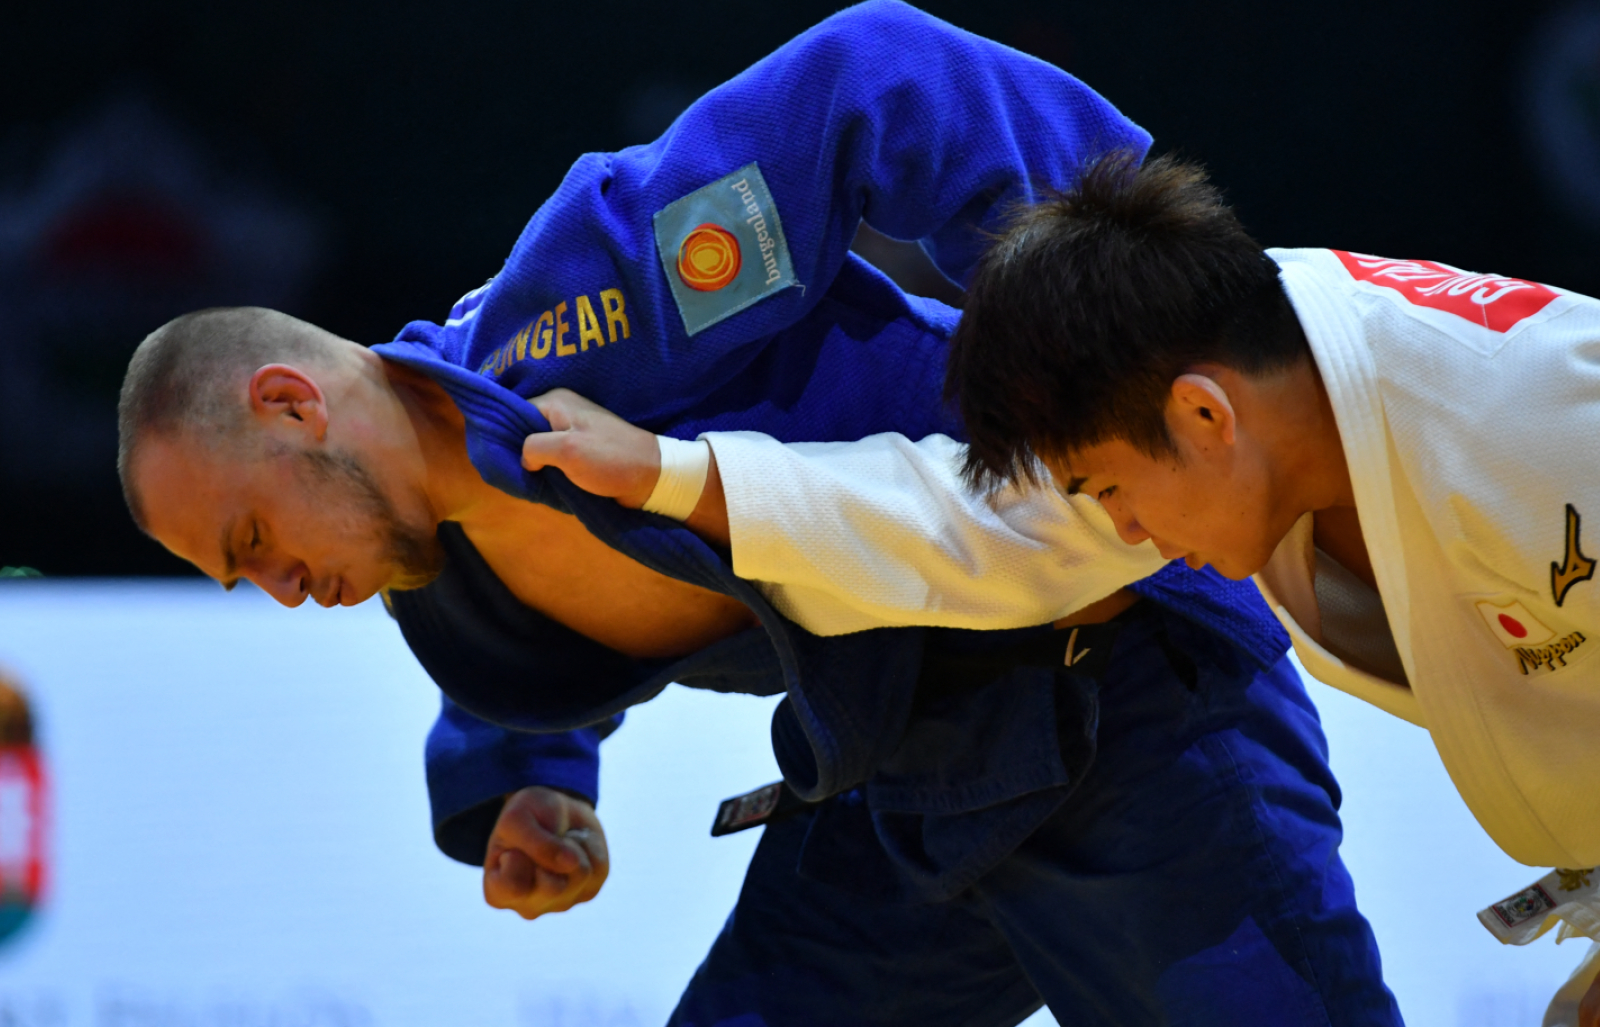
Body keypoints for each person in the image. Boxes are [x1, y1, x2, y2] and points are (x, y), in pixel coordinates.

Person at [117, 0, 1399, 1025]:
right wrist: (528, 783)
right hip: (901, 773)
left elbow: (880, 71)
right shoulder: (438, 575)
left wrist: (1138, 336)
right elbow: (518, 616)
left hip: (1126, 689)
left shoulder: (592, 304)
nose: (279, 588)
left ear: (292, 404)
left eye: (252, 540)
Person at [577, 150, 1600, 1021]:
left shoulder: (1543, 414)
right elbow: (971, 515)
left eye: (1110, 490)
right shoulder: (1217, 367)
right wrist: (674, 476)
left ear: (1205, 420)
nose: (1122, 528)